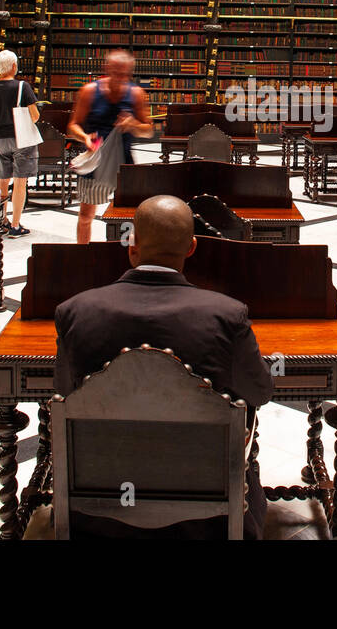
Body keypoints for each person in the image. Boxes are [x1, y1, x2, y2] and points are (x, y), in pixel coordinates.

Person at [54, 195, 275, 538]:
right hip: (203, 505)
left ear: (132, 245)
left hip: (100, 504)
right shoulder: (226, 315)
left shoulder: (75, 311)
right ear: (192, 248)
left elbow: (64, 393)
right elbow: (259, 391)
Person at [67, 50, 154, 244]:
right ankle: (83, 254)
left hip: (124, 164)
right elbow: (72, 126)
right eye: (115, 73)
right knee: (86, 216)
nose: (120, 78)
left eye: (124, 75)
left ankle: (128, 256)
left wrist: (133, 124)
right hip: (95, 162)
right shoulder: (89, 91)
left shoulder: (136, 94)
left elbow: (148, 130)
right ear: (106, 69)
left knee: (130, 216)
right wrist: (84, 137)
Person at [0, 49, 40, 237]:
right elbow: (34, 116)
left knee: (3, 182)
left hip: (0, 139)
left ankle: (2, 221)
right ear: (14, 66)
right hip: (21, 139)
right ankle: (16, 225)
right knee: (20, 182)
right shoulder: (23, 87)